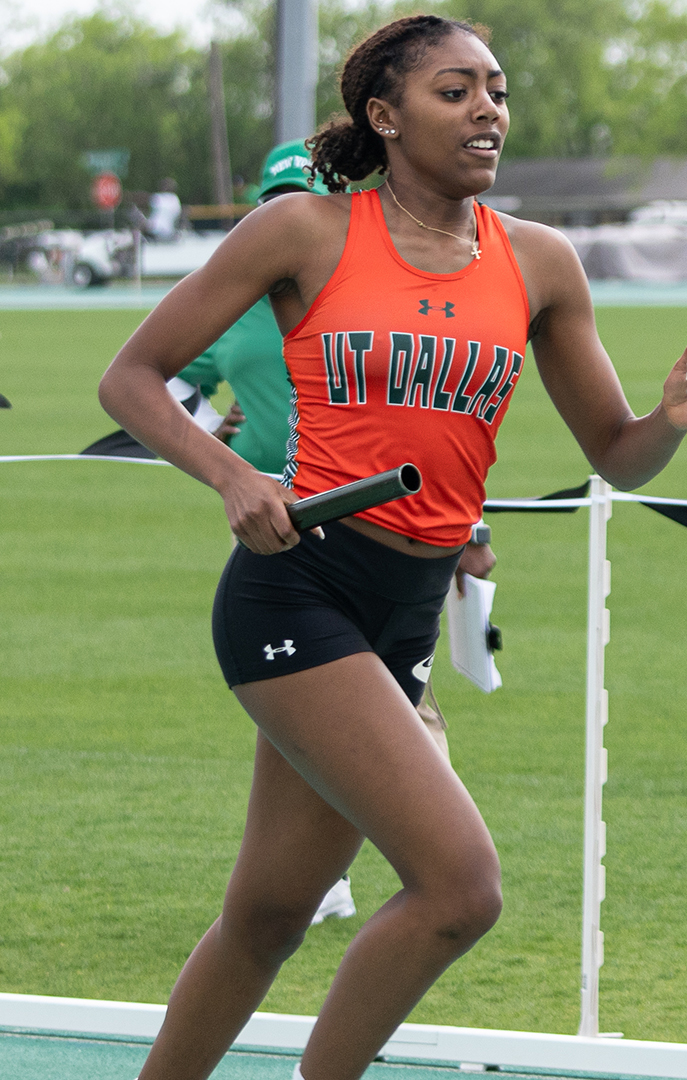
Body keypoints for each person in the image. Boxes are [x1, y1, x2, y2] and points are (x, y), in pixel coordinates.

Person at [97, 16, 687, 1080]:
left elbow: (618, 457)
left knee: (265, 921)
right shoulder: (303, 230)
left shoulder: (540, 262)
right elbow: (130, 378)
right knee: (461, 888)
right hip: (296, 589)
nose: (488, 110)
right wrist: (235, 477)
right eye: (456, 92)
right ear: (385, 117)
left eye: (496, 90)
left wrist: (669, 418)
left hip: (405, 610)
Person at [183, 139, 497, 927]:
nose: (289, 210)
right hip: (287, 541)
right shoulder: (238, 305)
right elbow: (163, 389)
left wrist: (473, 527)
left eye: (307, 193)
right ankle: (385, 865)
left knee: (388, 730)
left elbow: (433, 426)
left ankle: (361, 867)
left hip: (402, 547)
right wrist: (227, 458)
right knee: (371, 748)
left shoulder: (369, 286)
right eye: (276, 197)